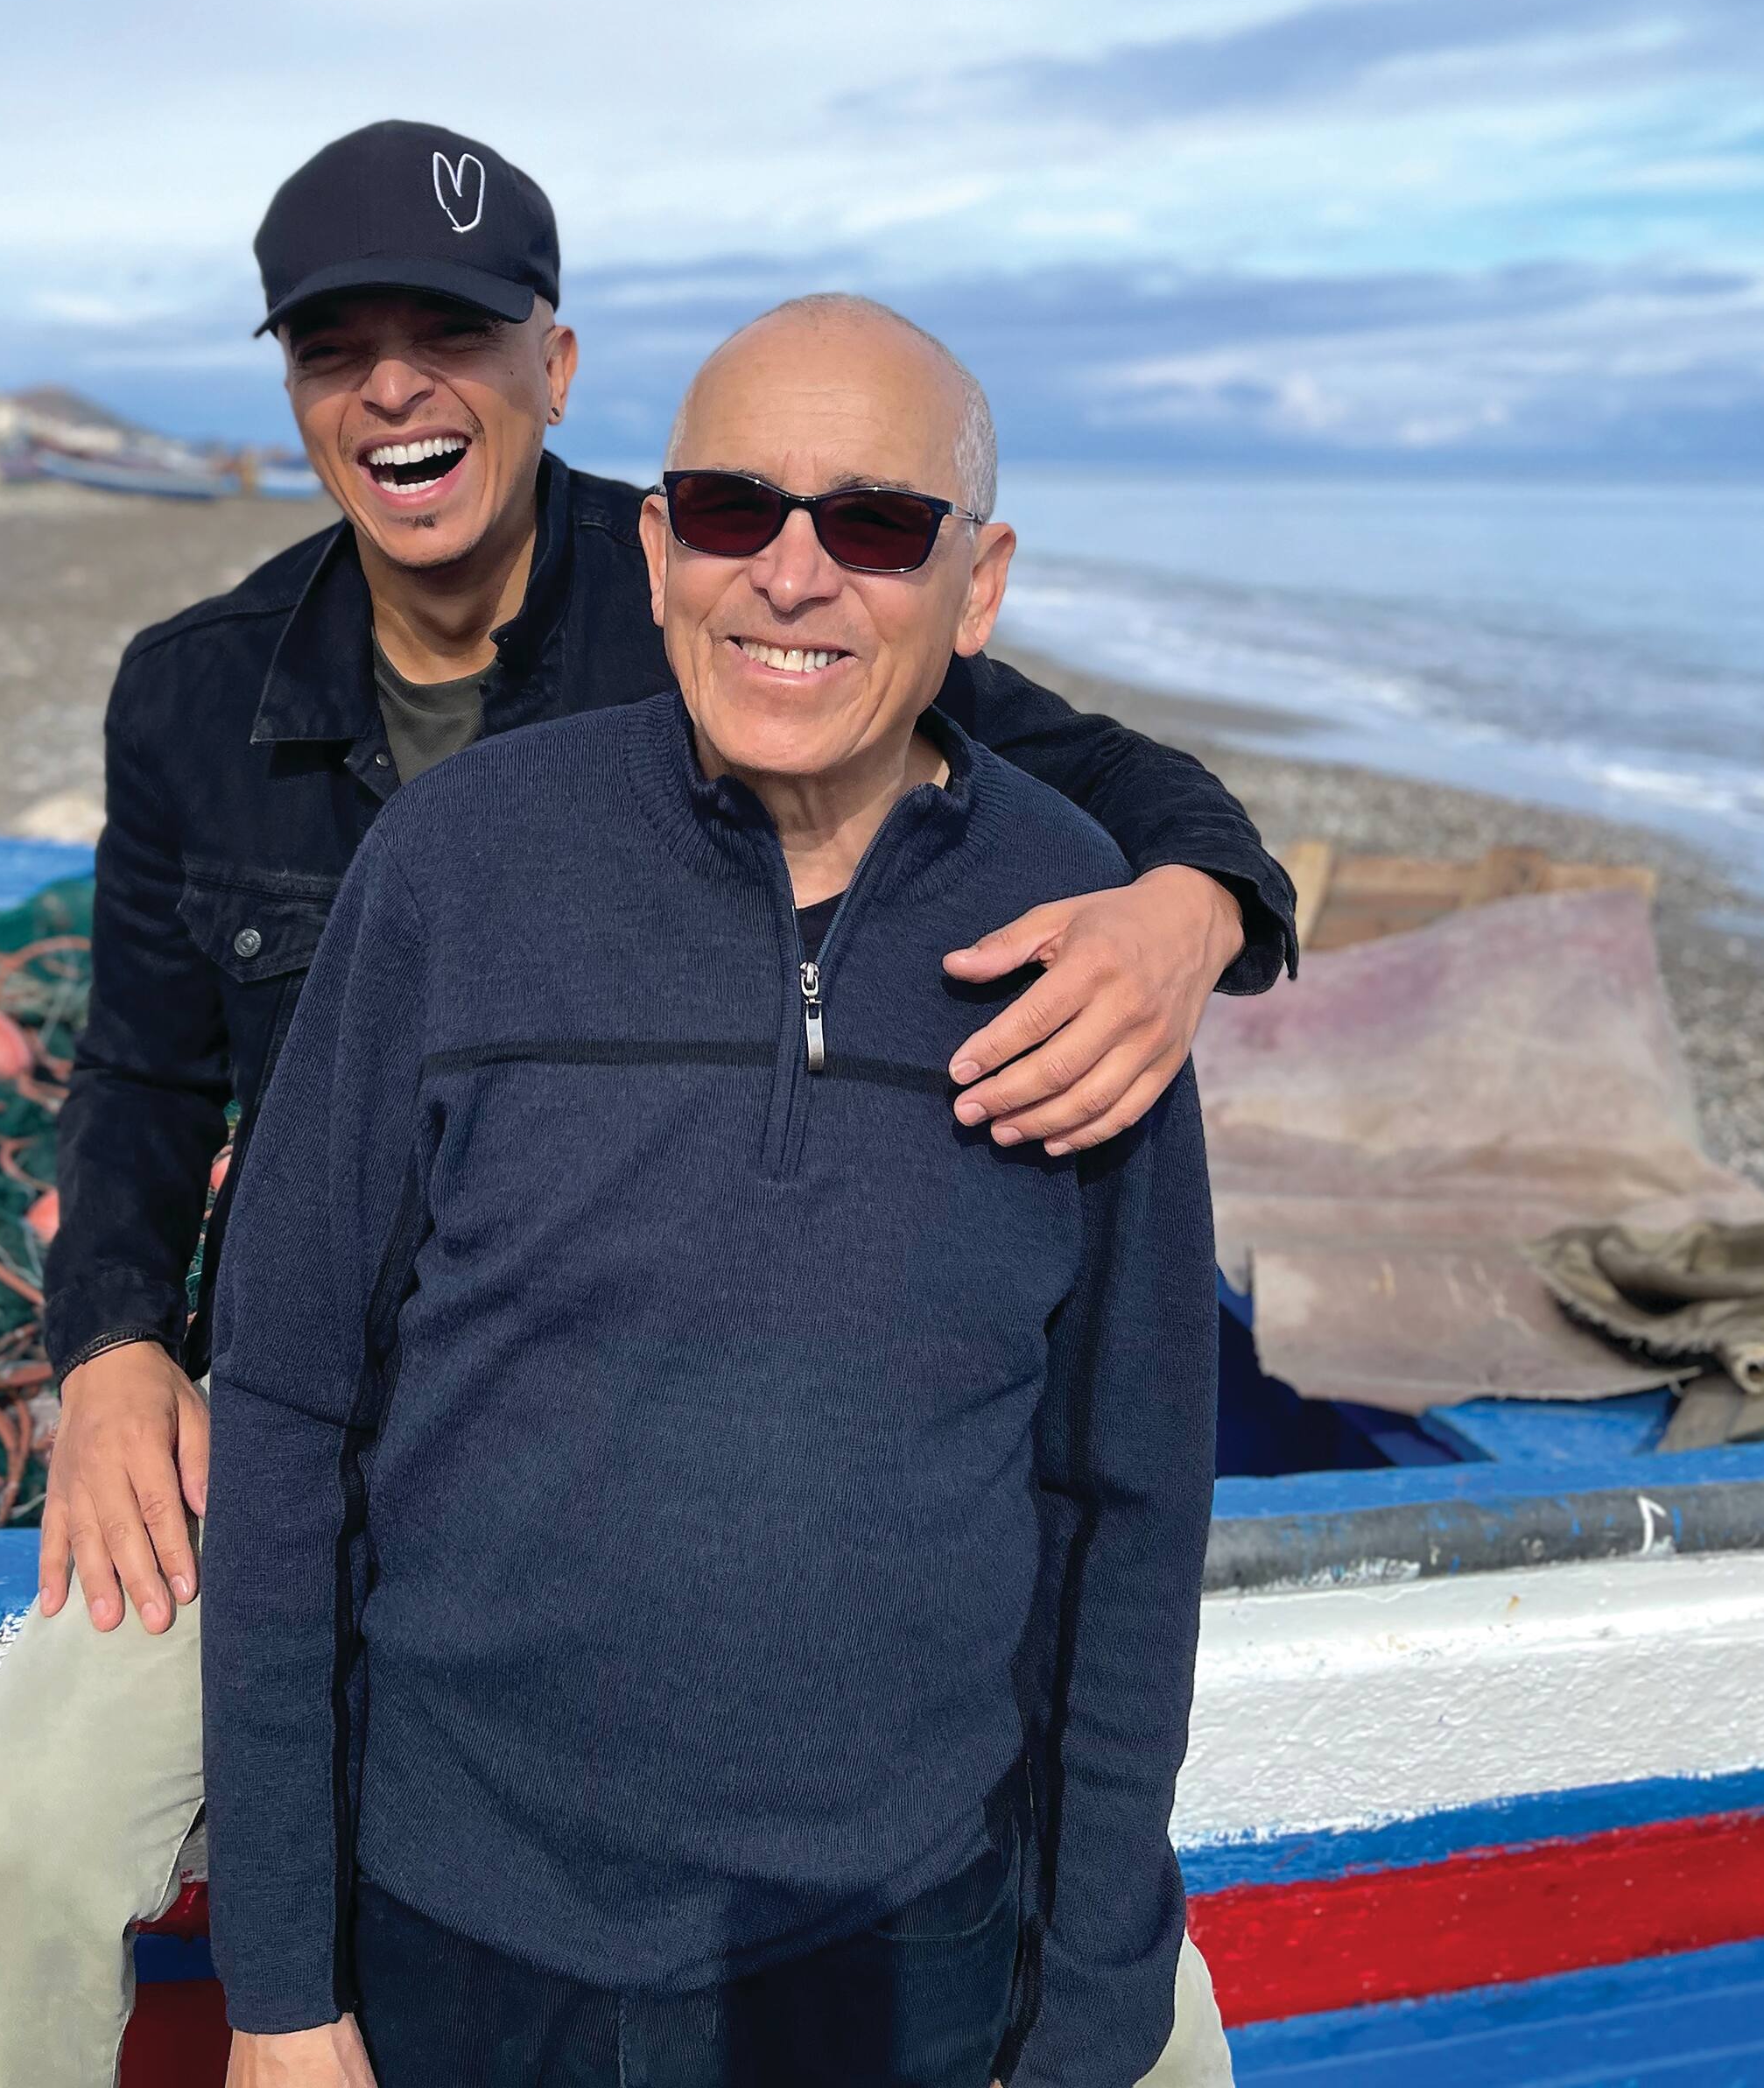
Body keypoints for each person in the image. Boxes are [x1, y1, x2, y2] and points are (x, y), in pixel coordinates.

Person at [0, 125, 1290, 2088]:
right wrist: (117, 1345)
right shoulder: (197, 692)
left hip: (655, 1438)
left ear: (555, 372)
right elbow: (137, 1069)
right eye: (333, 345)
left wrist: (1185, 915)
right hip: (315, 1395)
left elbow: (1106, 781)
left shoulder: (740, 583)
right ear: (295, 394)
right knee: (13, 1847)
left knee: (1163, 2039)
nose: (394, 384)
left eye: (451, 332)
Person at [206, 294, 1218, 2088]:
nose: (797, 577)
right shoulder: (454, 868)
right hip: (454, 1928)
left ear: (975, 589)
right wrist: (284, 1990)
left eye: (879, 526)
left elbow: (1127, 1499)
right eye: (739, 512)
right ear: (664, 549)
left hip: (894, 1947)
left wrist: (1087, 2019)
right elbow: (288, 1409)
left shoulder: (1079, 932)